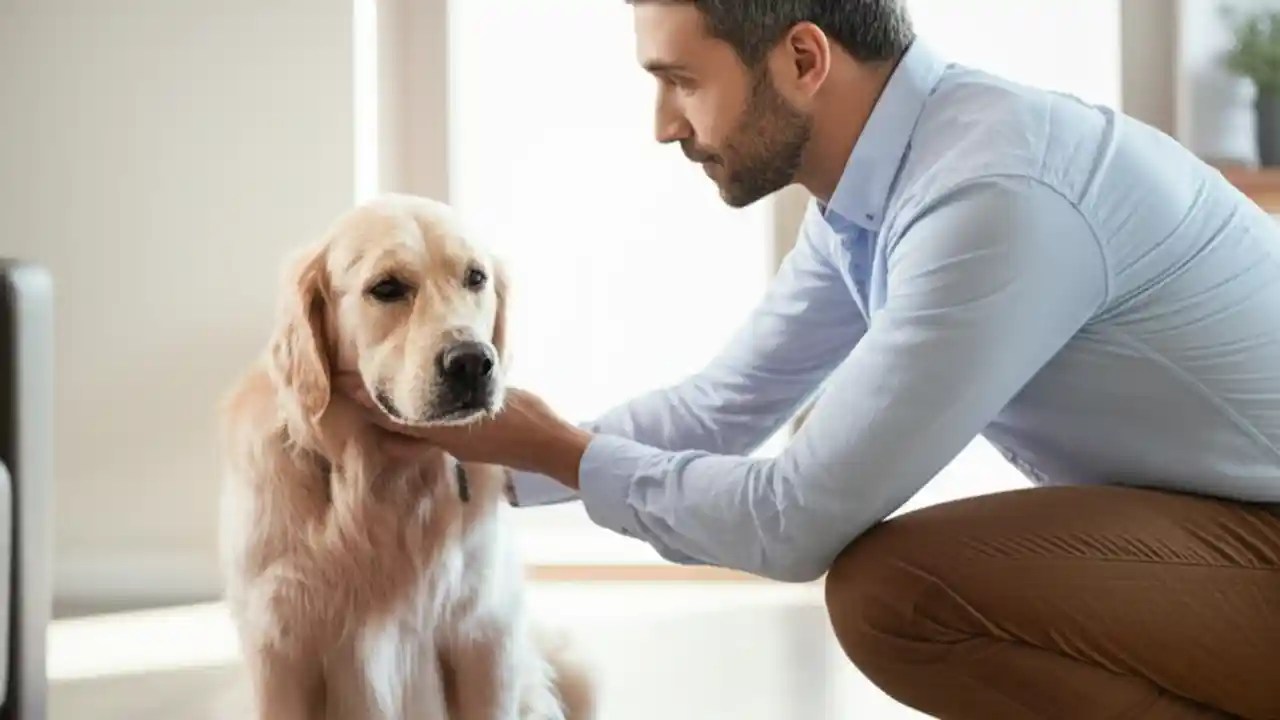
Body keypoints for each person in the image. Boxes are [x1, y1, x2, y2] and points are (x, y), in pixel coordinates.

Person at [340, 1, 1280, 717]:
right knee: (902, 581)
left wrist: (558, 453)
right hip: (1215, 516)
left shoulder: (990, 196)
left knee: (900, 591)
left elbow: (796, 520)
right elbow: (722, 409)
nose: (664, 124)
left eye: (682, 81)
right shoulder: (880, 190)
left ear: (801, 58)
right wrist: (475, 470)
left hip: (1259, 533)